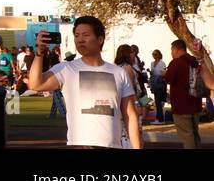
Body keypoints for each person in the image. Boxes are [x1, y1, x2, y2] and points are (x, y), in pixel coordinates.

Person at [25, 16, 142, 149]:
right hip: (79, 145)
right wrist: (39, 52)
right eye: (77, 35)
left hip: (113, 145)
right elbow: (36, 84)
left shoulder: (119, 73)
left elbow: (130, 115)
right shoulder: (66, 69)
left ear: (100, 39)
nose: (80, 39)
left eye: (86, 35)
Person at [164, 39, 214, 149]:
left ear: (176, 49)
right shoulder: (194, 61)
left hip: (181, 106)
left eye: (172, 50)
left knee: (187, 136)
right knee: (195, 134)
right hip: (195, 103)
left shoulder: (175, 63)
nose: (171, 53)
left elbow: (169, 79)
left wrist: (165, 73)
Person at [148, 49, 167, 123]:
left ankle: (160, 119)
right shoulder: (152, 63)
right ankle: (158, 118)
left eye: (155, 54)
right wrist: (151, 72)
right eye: (153, 54)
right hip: (154, 83)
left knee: (159, 101)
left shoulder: (162, 63)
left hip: (160, 83)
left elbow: (164, 73)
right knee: (156, 101)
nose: (154, 55)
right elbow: (153, 73)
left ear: (159, 54)